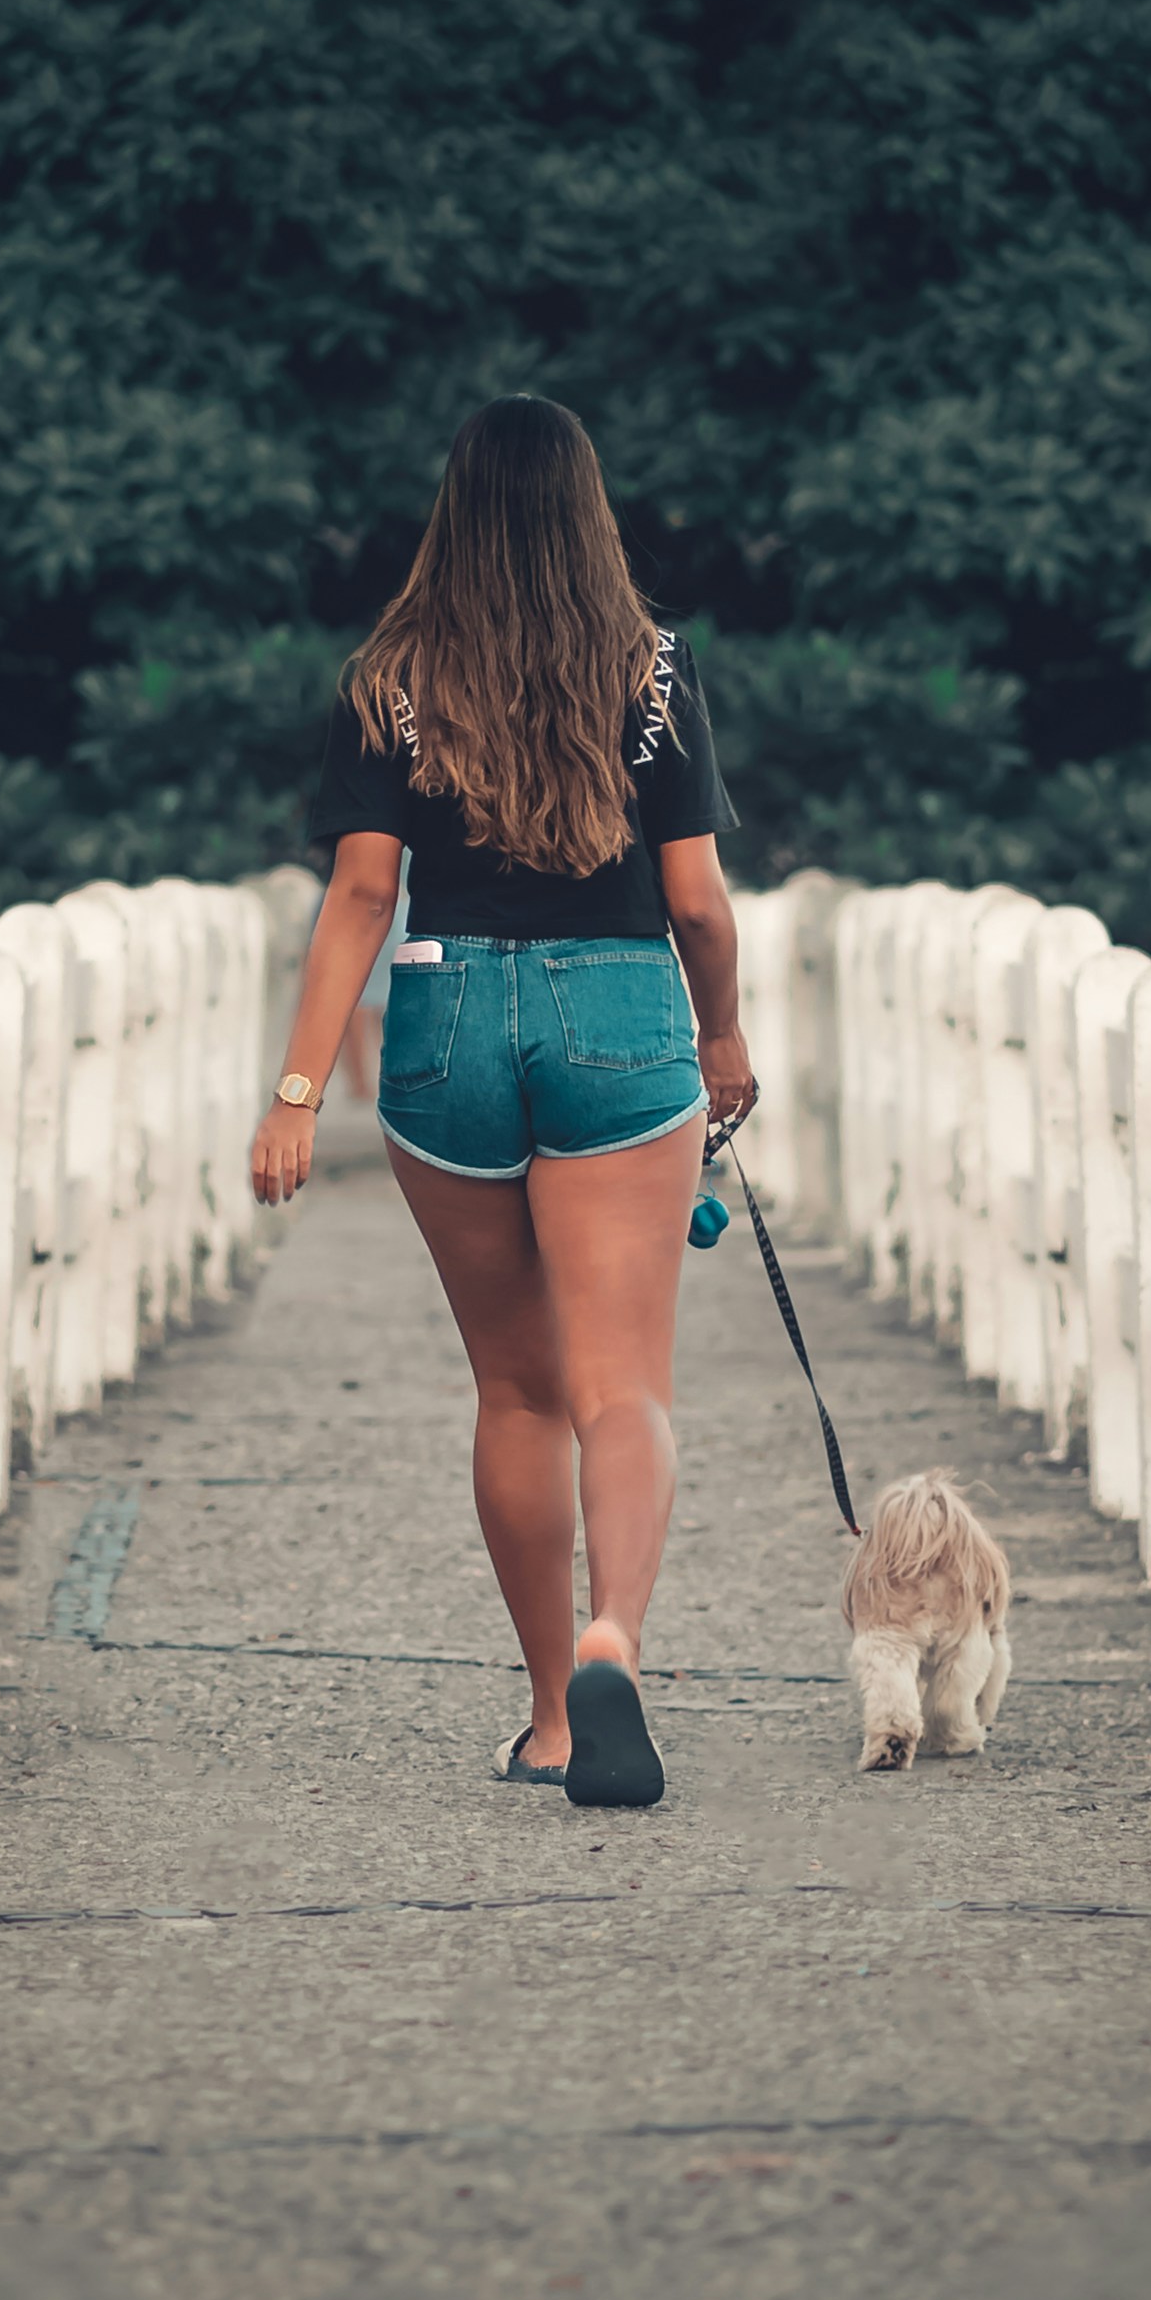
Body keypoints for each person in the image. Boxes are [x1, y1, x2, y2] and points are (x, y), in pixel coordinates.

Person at [249, 396, 756, 1810]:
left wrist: (295, 1094)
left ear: (454, 511)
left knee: (516, 1388)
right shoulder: (651, 671)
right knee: (621, 1387)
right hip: (616, 1014)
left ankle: (546, 1718)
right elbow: (698, 904)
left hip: (446, 1019)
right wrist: (719, 1043)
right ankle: (615, 1645)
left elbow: (359, 892)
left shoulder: (392, 674)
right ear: (588, 512)